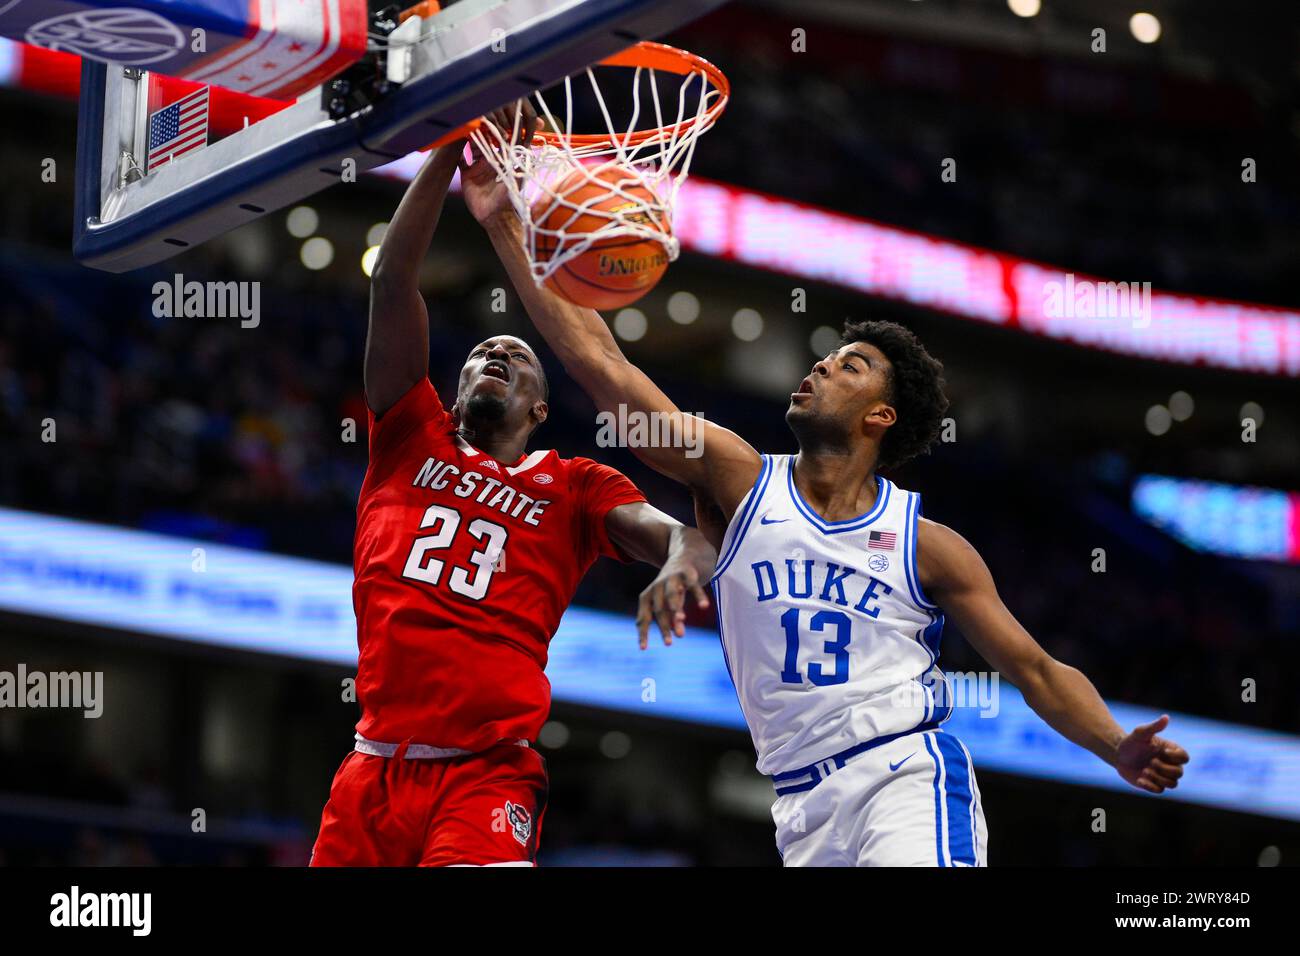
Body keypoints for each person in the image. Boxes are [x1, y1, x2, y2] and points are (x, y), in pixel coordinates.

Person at [460, 105, 1191, 867]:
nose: (820, 365)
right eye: (827, 356)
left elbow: (1035, 668)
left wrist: (1114, 744)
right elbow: (603, 366)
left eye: (849, 367)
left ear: (880, 416)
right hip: (801, 806)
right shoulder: (737, 476)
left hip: (905, 775)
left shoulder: (928, 547)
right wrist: (503, 220)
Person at [310, 134, 716, 867]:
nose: (494, 353)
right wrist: (448, 147)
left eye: (517, 355)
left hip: (486, 771)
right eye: (479, 354)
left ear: (539, 410)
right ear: (456, 390)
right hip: (372, 766)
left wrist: (680, 567)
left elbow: (684, 535)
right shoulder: (409, 436)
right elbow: (393, 279)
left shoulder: (576, 485)